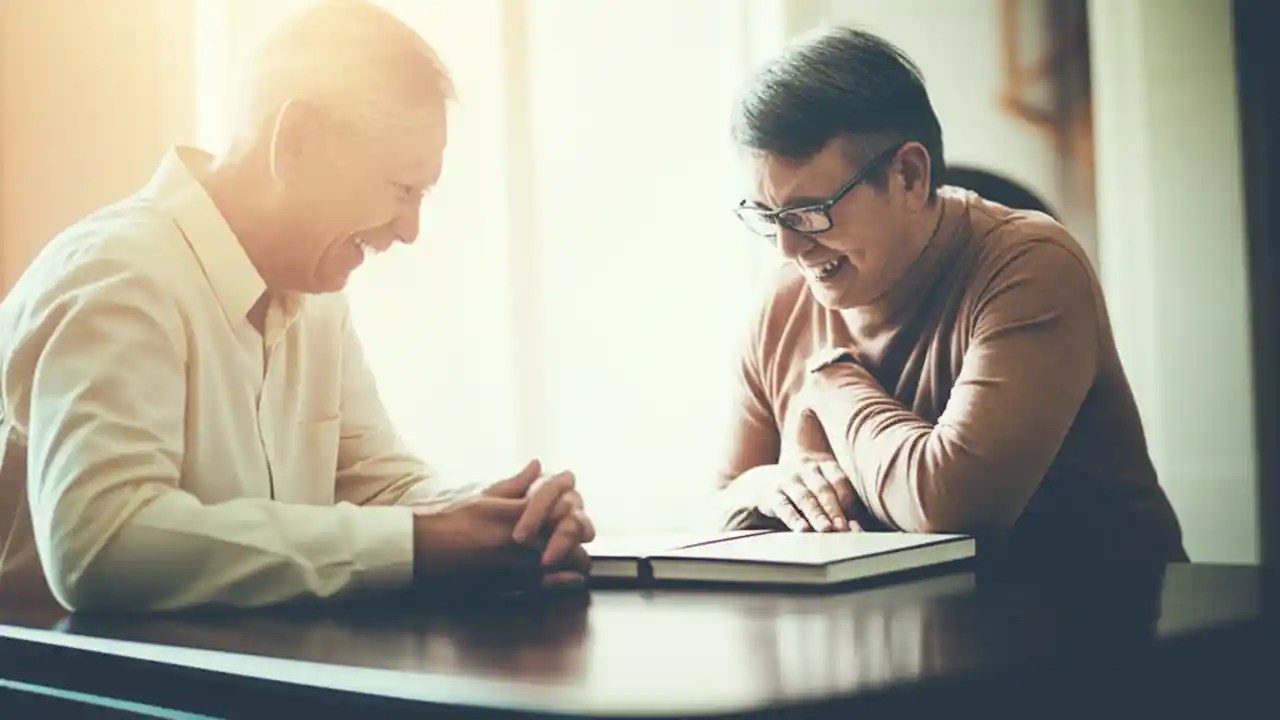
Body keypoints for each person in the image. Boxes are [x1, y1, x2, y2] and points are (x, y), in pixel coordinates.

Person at [0, 0, 593, 611]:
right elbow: (100, 545)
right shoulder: (118, 275)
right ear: (297, 141)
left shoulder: (313, 298)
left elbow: (379, 487)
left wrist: (510, 520)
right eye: (402, 189)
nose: (411, 229)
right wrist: (425, 541)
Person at [714, 27, 1185, 565]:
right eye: (767, 216)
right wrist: (770, 488)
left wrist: (830, 384)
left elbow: (952, 510)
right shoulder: (781, 303)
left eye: (808, 212)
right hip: (898, 630)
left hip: (1109, 625)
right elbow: (721, 501)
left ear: (910, 176)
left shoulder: (1032, 265)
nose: (788, 247)